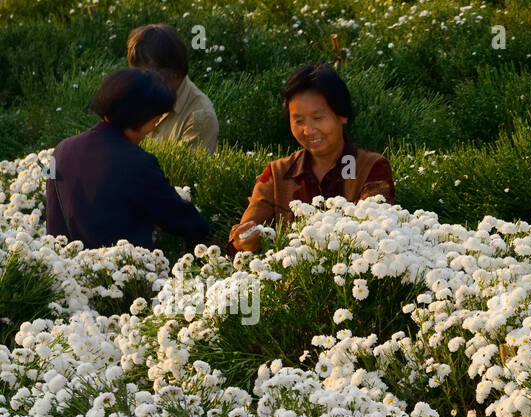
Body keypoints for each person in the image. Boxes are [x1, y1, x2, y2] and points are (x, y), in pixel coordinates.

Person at [229, 65, 394, 254]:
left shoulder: (372, 167)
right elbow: (244, 233)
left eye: (318, 118)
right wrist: (244, 242)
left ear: (342, 115)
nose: (308, 130)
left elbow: (376, 235)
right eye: (298, 121)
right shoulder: (276, 173)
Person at [45, 68, 210, 251]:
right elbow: (180, 218)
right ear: (139, 116)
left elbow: (53, 225)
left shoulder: (61, 151)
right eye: (154, 121)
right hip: (126, 272)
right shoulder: (137, 162)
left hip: (68, 269)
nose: (153, 129)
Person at [127, 23, 219, 154]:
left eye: (147, 75)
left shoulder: (200, 117)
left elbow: (183, 171)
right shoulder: (140, 94)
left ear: (174, 72)